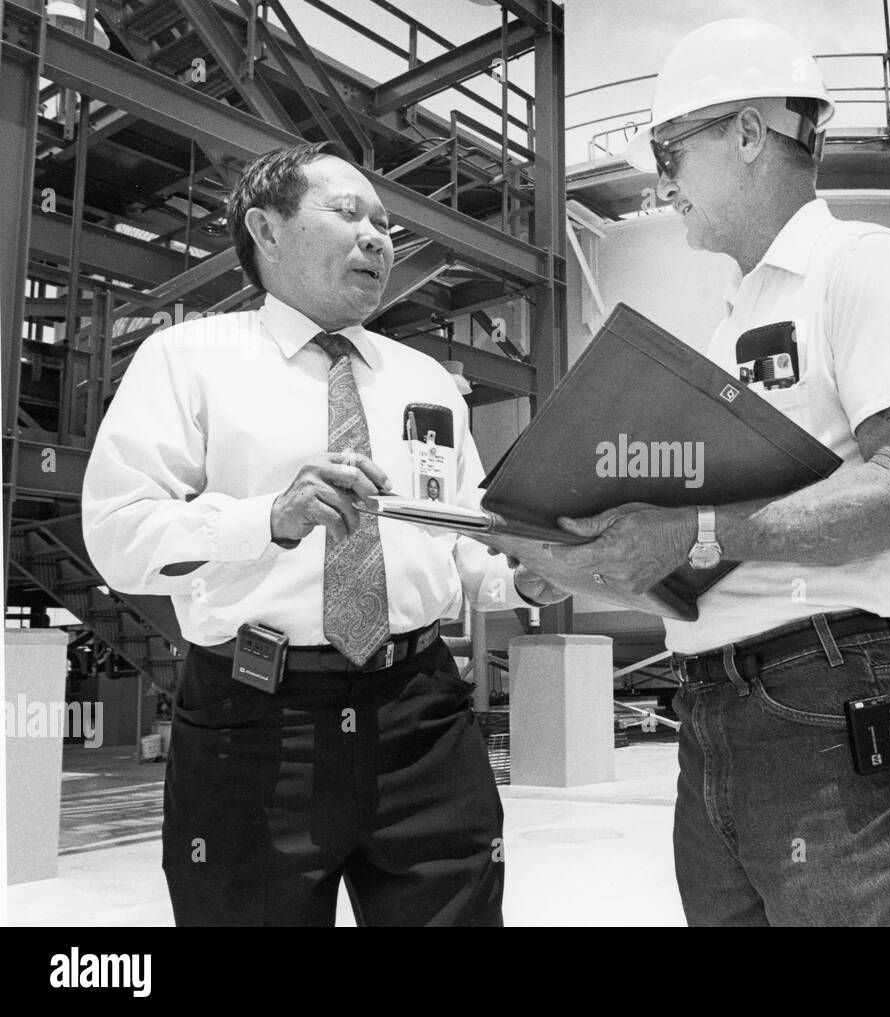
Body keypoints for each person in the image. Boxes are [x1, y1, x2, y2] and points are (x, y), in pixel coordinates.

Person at [81, 141, 565, 927]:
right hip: (256, 723)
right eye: (349, 213)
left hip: (424, 716)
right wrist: (268, 516)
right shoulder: (187, 360)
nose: (379, 236)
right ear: (265, 230)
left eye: (385, 223)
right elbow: (116, 532)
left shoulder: (426, 379)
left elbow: (465, 543)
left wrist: (523, 579)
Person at [548, 19, 890, 926]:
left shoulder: (862, 267)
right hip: (709, 707)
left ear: (744, 133)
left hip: (825, 694)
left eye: (670, 149)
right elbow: (706, 540)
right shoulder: (731, 323)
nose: (662, 183)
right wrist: (589, 553)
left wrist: (694, 531)